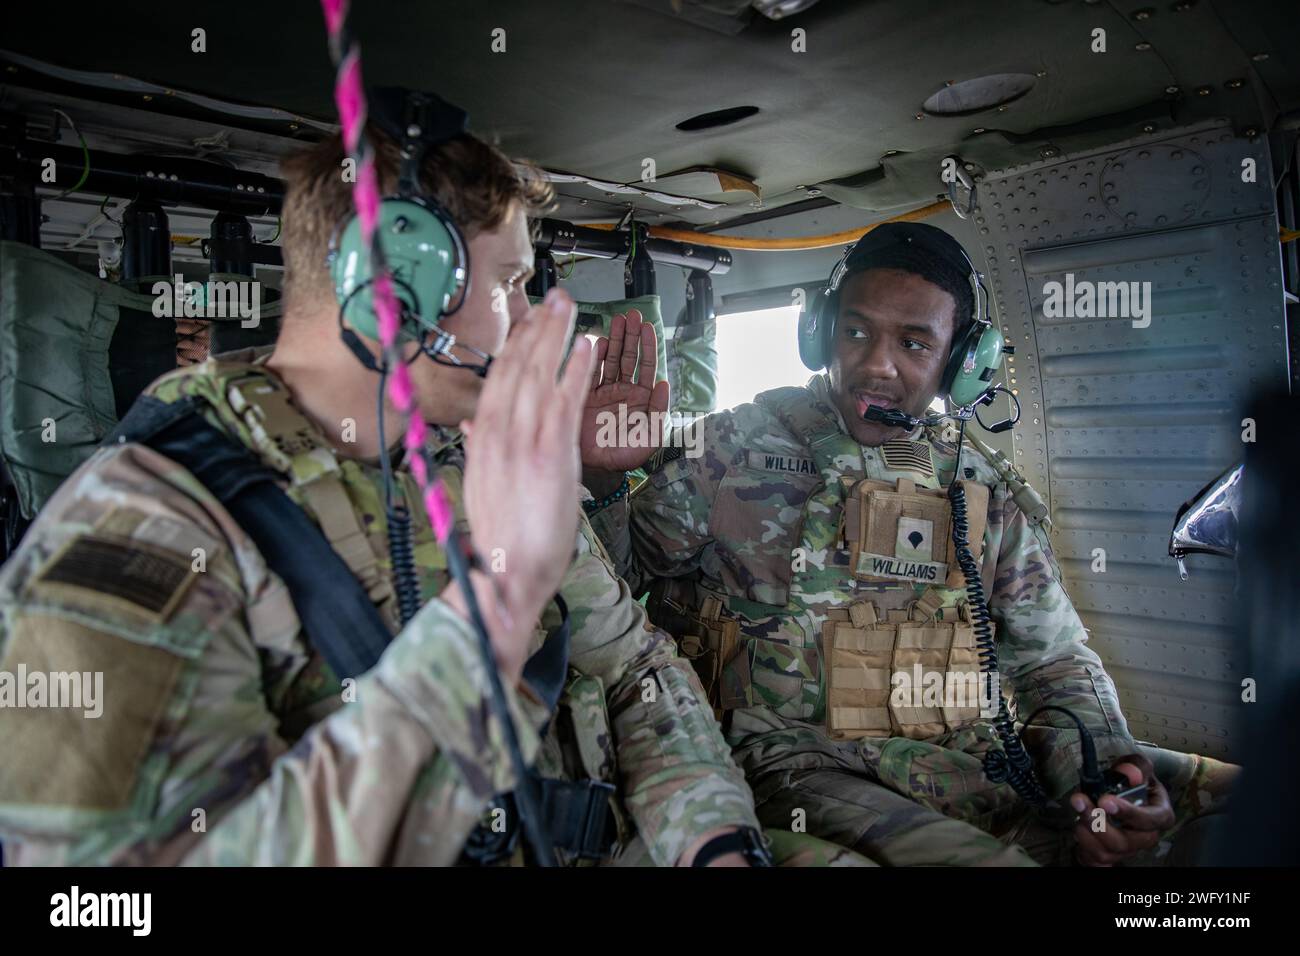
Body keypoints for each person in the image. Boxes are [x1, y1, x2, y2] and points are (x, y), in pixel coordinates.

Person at [0, 93, 864, 867]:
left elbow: (638, 672)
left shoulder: (467, 456)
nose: (530, 321)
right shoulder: (147, 518)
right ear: (395, 288)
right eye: (511, 283)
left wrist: (712, 841)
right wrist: (487, 615)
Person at [583, 221, 1237, 866]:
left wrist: (1104, 768)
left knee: (1233, 803)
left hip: (957, 757)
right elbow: (614, 589)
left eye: (916, 343)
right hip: (789, 762)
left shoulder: (977, 486)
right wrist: (605, 478)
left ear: (961, 360)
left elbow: (1053, 663)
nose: (875, 364)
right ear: (821, 331)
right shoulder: (732, 449)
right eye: (856, 330)